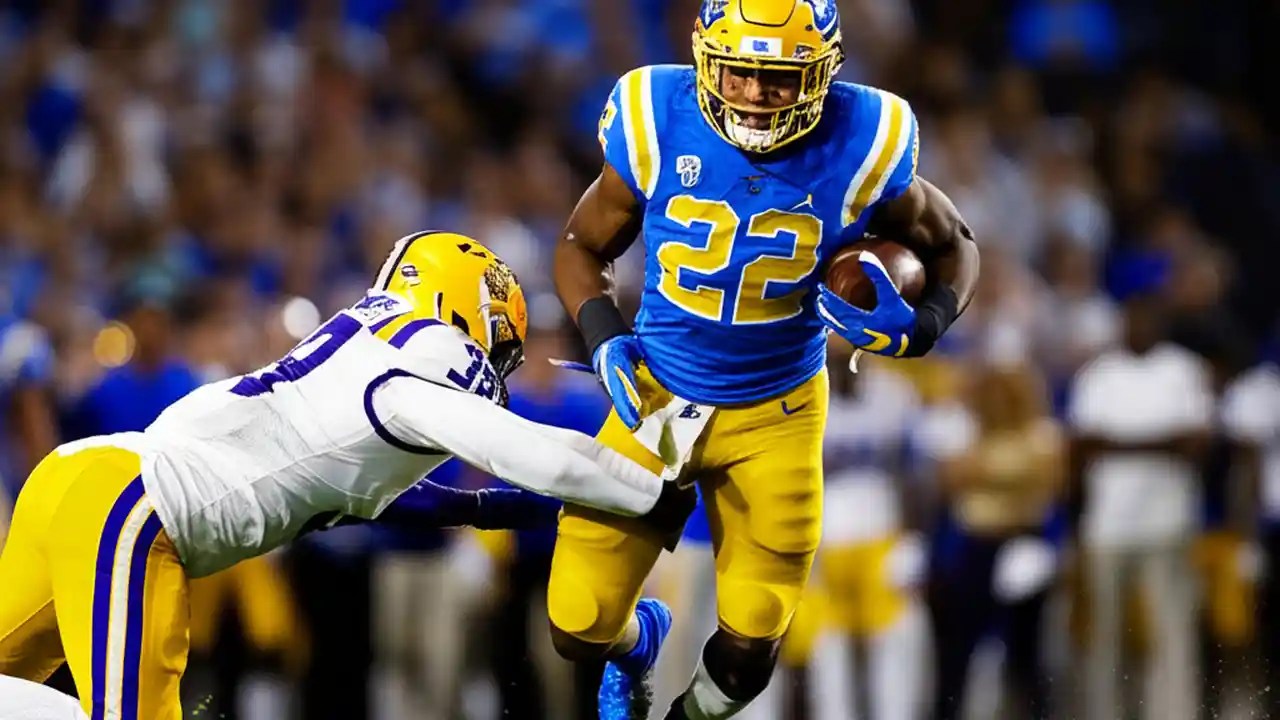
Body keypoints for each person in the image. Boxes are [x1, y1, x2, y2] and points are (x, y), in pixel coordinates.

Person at [0, 231, 694, 720]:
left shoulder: (357, 350)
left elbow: (368, 495)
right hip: (136, 513)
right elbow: (540, 453)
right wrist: (654, 496)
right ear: (465, 309)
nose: (499, 363)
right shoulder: (423, 362)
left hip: (78, 479)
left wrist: (509, 511)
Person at [547, 0, 981, 717]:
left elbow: (955, 242)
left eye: (779, 78)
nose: (754, 94)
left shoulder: (864, 135)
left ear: (824, 73)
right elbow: (580, 245)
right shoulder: (655, 114)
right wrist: (603, 336)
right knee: (577, 622)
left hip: (776, 411)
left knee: (750, 651)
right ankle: (638, 645)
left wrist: (926, 323)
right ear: (704, 58)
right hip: (656, 395)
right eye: (739, 73)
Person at [1069, 292, 1213, 720]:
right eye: (1133, 320)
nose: (1140, 328)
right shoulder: (1099, 375)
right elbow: (1082, 447)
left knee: (1172, 637)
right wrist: (1161, 441)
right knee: (1103, 640)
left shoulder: (1182, 369)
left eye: (1147, 319)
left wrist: (1117, 444)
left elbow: (1195, 444)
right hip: (1106, 526)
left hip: (1168, 523)